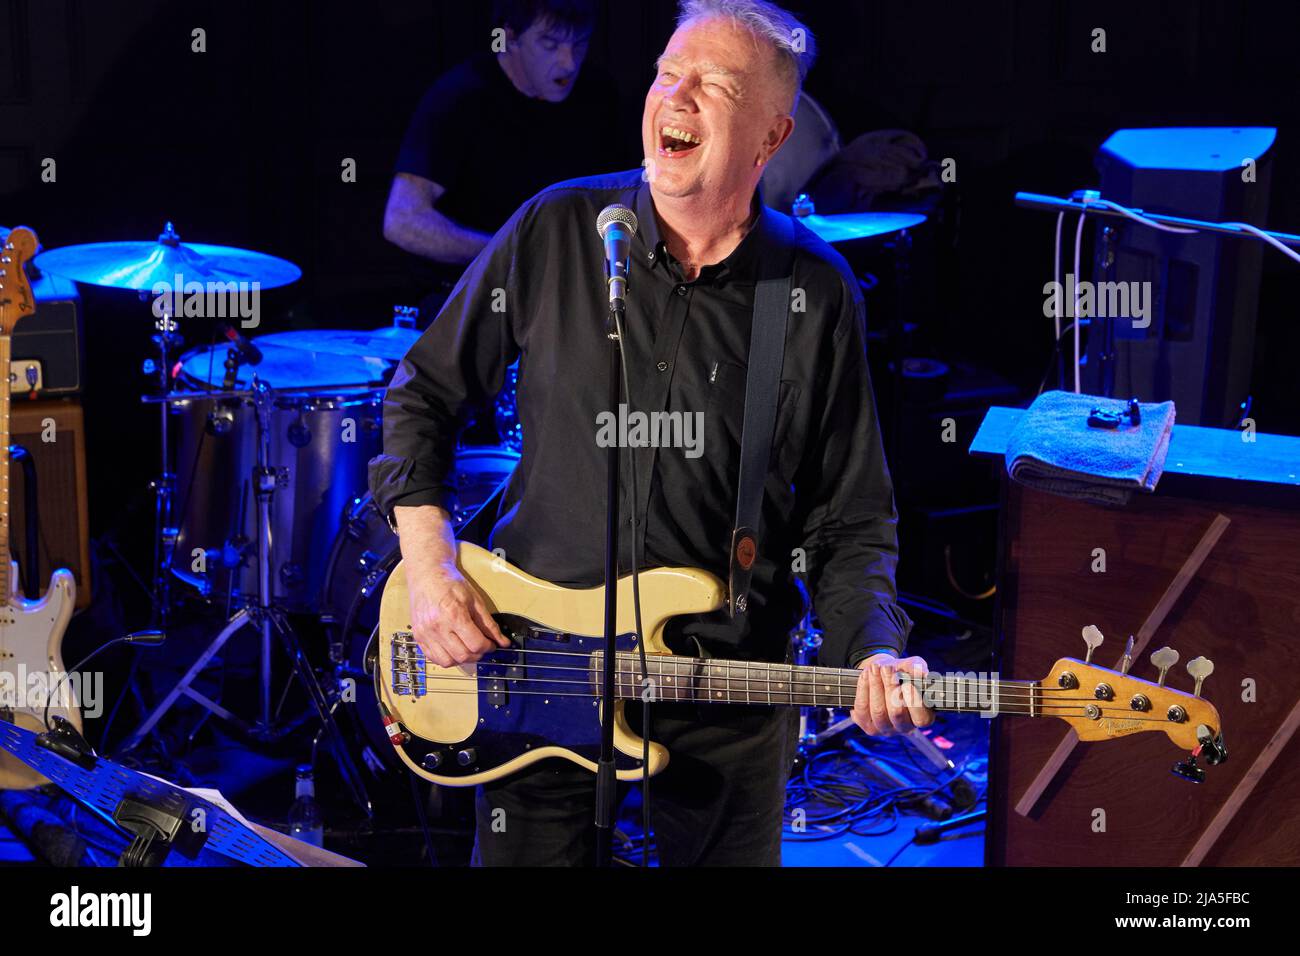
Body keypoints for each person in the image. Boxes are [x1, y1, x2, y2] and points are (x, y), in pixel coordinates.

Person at [369, 0, 932, 867]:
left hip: (727, 691)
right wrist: (433, 564)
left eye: (714, 84)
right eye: (669, 72)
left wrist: (876, 650)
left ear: (771, 136)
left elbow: (851, 517)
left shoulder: (815, 293)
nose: (677, 94)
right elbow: (421, 396)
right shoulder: (558, 229)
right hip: (534, 666)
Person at [383, 0, 625, 304]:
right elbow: (402, 220)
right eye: (549, 44)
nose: (568, 63)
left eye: (579, 44)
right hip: (468, 297)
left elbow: (623, 198)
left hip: (564, 298)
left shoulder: (599, 96)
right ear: (510, 38)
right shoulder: (460, 98)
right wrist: (505, 252)